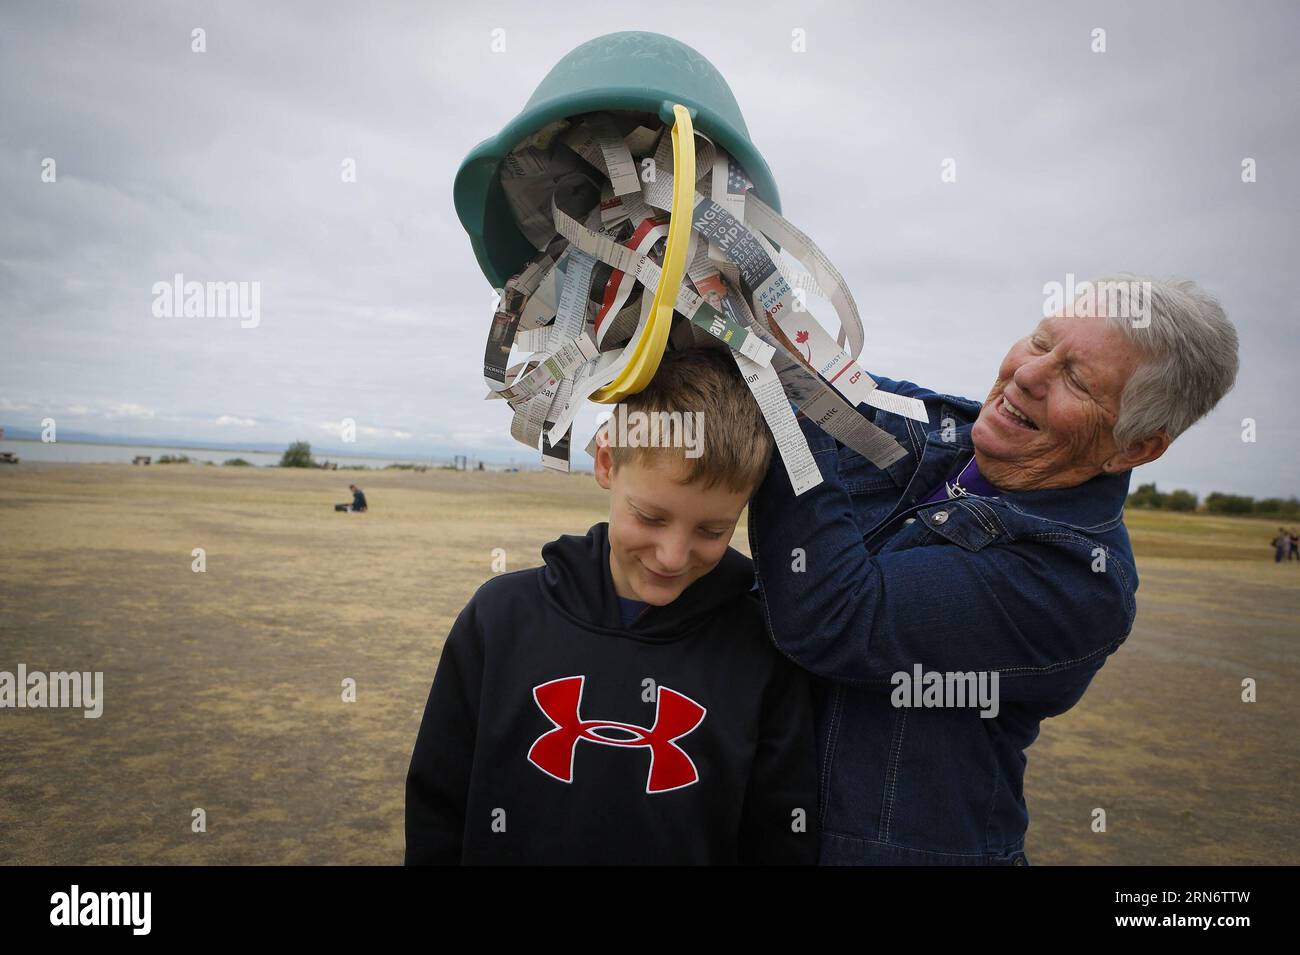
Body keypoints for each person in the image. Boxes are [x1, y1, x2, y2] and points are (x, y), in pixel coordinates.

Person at [749, 277, 1239, 865]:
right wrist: (721, 292)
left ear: (1133, 448)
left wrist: (788, 393)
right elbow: (806, 376)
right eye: (1040, 342)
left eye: (1077, 379)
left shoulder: (1078, 583)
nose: (1030, 375)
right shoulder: (944, 429)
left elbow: (833, 615)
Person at [405, 347, 818, 864]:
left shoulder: (764, 648)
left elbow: (781, 834)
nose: (672, 556)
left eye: (713, 531)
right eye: (649, 517)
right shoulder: (499, 620)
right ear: (606, 461)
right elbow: (436, 807)